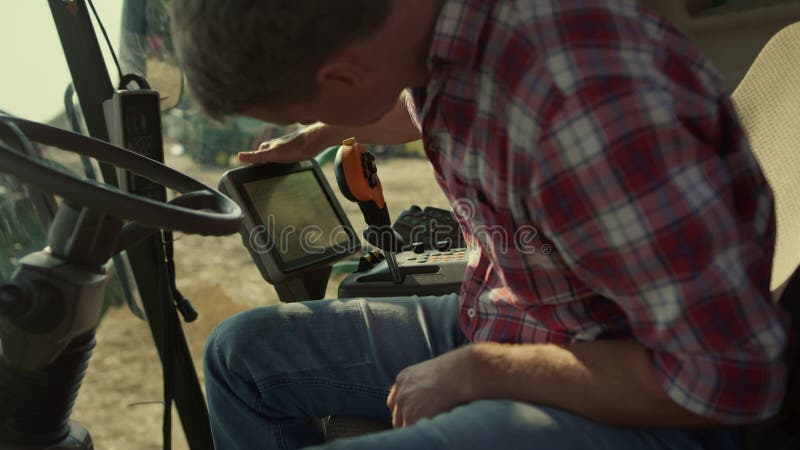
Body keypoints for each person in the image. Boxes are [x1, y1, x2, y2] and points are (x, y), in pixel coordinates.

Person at [170, 0, 790, 449]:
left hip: (643, 398)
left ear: (344, 75)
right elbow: (423, 105)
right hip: (518, 317)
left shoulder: (579, 107)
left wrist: (480, 372)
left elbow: (728, 385)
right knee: (242, 355)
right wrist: (319, 131)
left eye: (300, 103)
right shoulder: (439, 30)